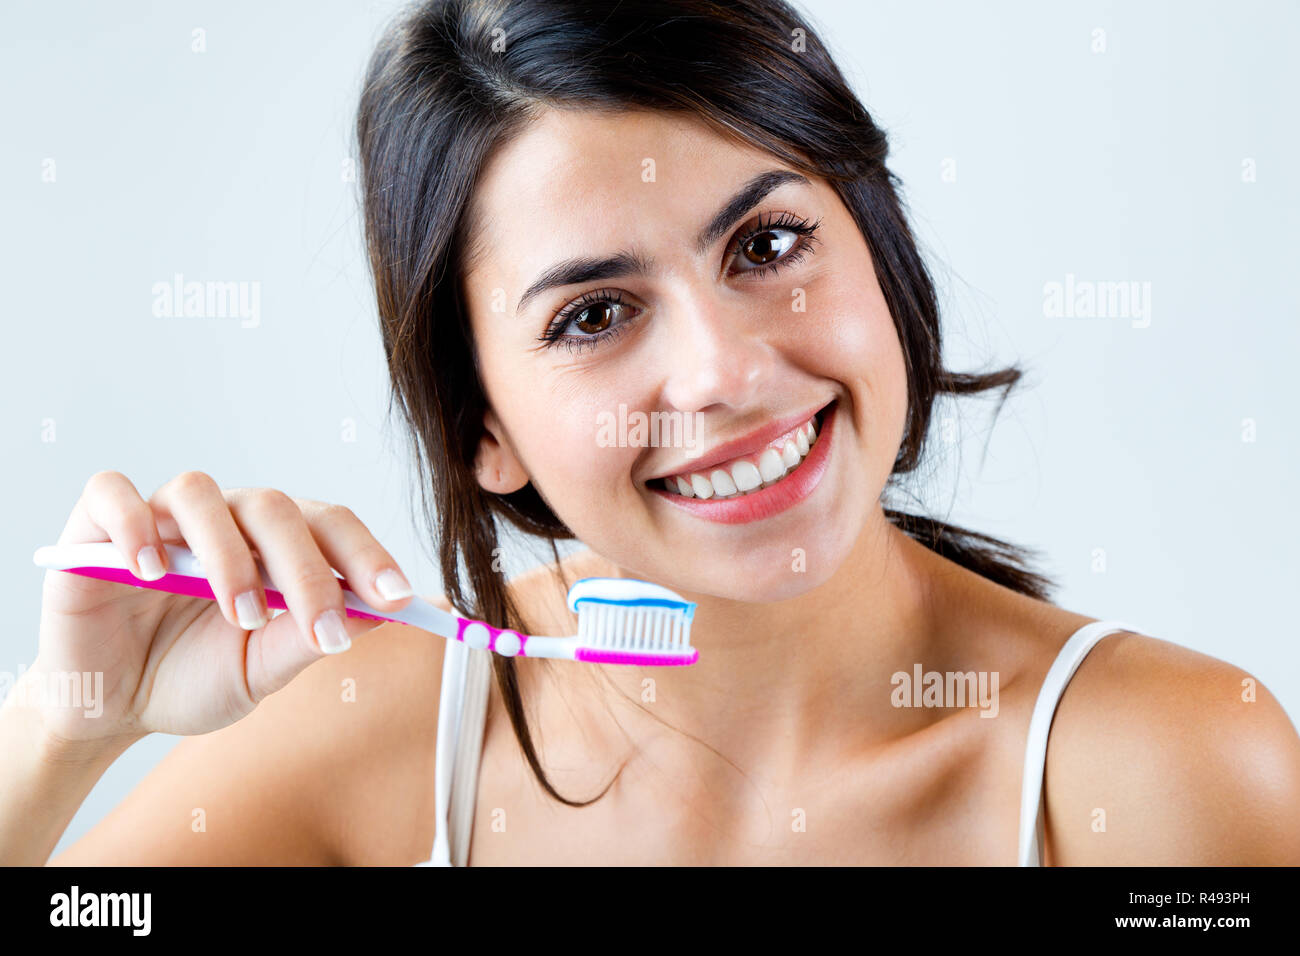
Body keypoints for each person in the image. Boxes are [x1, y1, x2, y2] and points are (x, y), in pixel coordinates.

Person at [5, 0, 1298, 866]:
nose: (725, 370)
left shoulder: (1170, 768)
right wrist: (65, 725)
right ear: (482, 429)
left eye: (770, 243)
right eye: (596, 313)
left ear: (879, 247)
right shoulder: (383, 728)